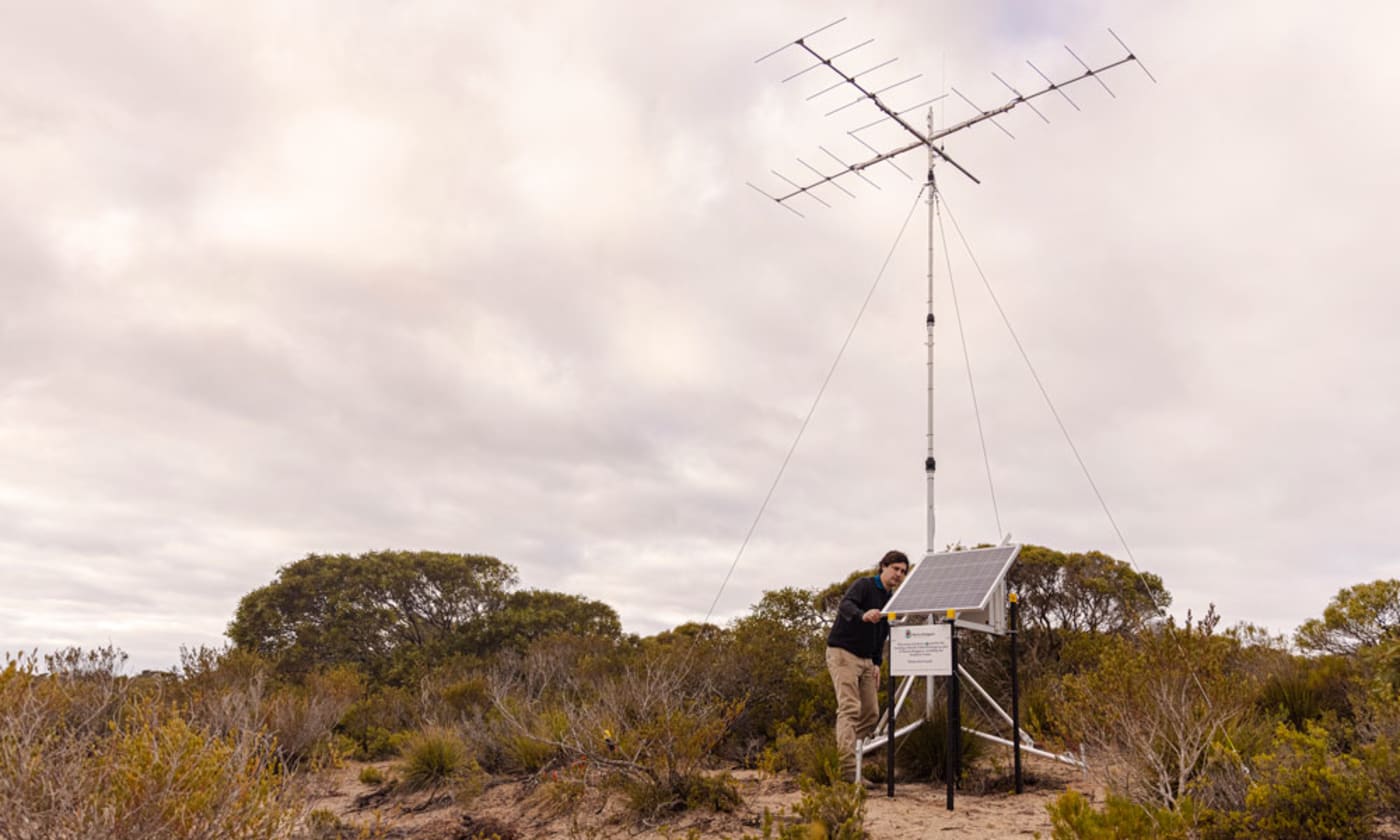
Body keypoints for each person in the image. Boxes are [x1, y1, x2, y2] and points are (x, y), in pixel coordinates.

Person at [825, 549, 910, 783]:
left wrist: (876, 663)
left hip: (866, 660)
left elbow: (881, 633)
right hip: (843, 653)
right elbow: (846, 605)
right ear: (883, 566)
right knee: (850, 708)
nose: (898, 575)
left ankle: (846, 751)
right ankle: (847, 772)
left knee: (871, 713)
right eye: (895, 569)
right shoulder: (864, 585)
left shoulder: (891, 599)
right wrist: (863, 615)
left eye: (903, 572)